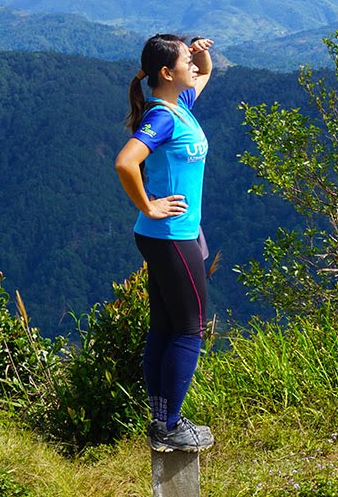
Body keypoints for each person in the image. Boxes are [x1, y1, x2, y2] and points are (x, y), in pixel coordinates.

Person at [115, 33, 215, 453]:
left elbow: (205, 72)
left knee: (165, 327)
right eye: (185, 61)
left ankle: (162, 419)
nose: (193, 66)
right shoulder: (163, 117)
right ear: (165, 73)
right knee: (190, 330)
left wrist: (199, 52)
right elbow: (125, 161)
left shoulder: (181, 105)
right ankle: (169, 426)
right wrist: (148, 205)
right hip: (170, 236)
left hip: (171, 237)